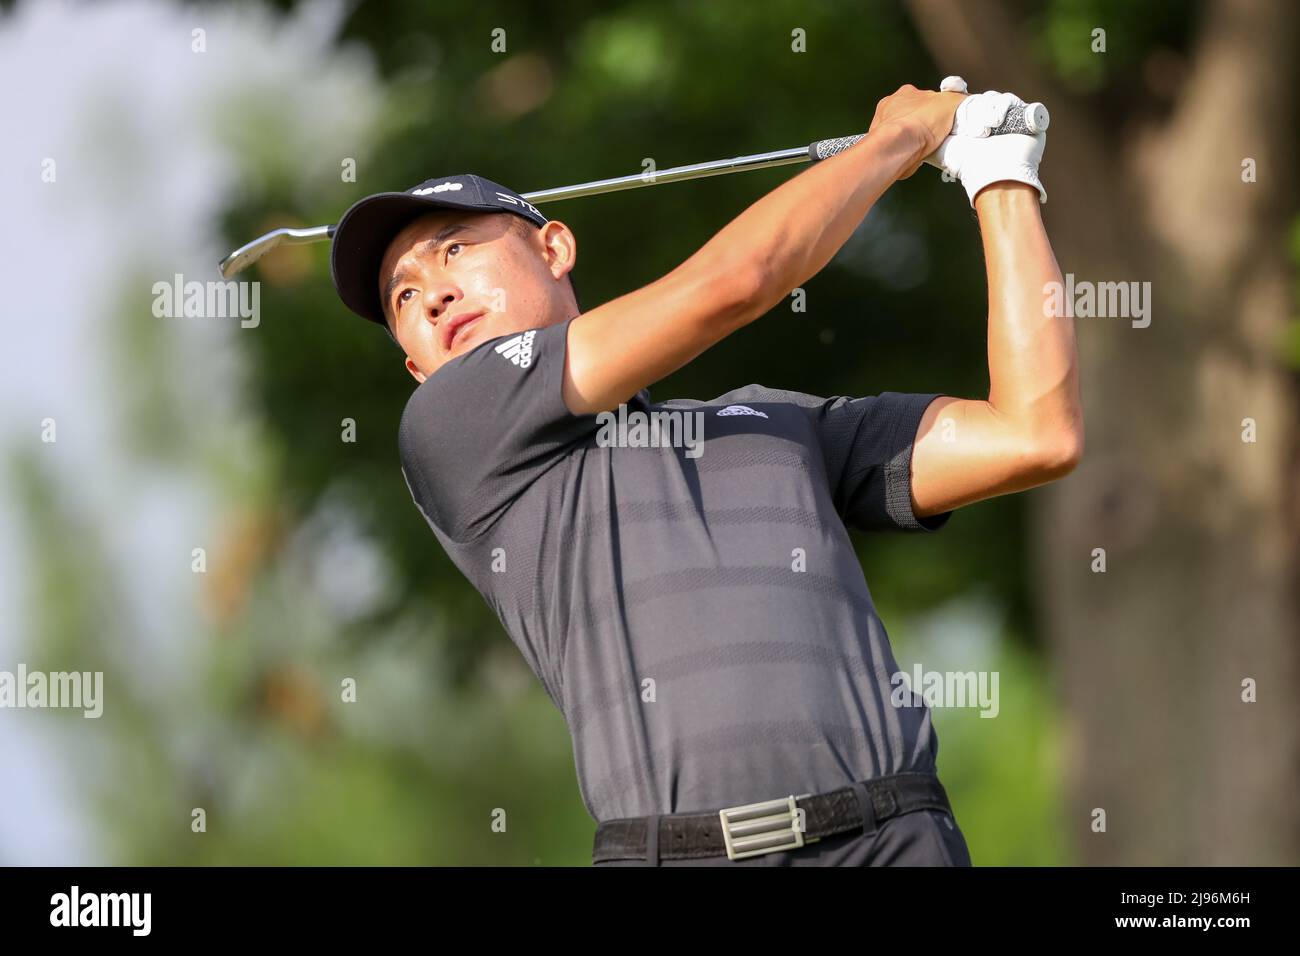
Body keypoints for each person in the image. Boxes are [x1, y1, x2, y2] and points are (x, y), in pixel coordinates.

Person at [328, 83, 1081, 866]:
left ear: (553, 248)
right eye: (404, 296)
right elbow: (737, 283)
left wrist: (1002, 176)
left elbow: (1035, 434)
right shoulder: (451, 427)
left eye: (456, 248)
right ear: (418, 367)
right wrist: (894, 143)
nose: (435, 293)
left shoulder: (779, 424)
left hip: (896, 838)